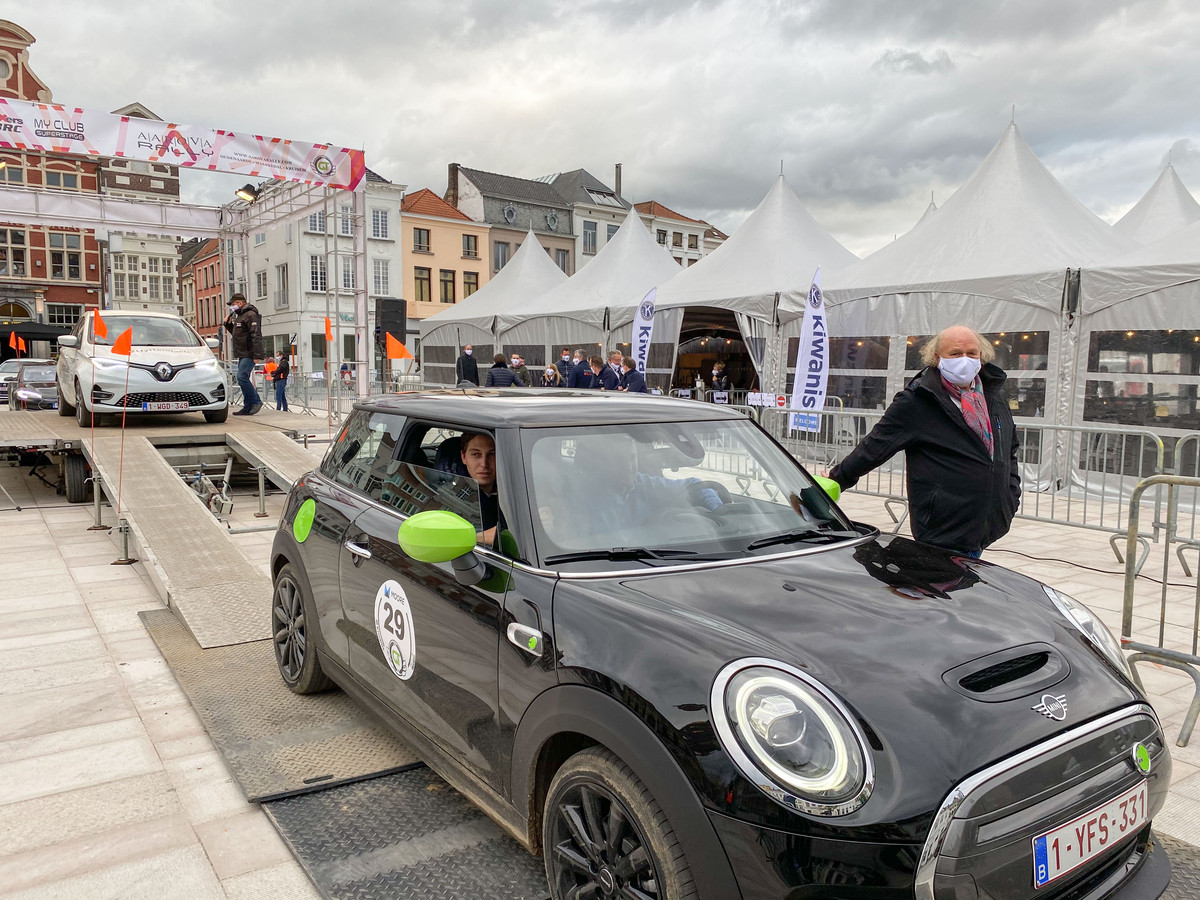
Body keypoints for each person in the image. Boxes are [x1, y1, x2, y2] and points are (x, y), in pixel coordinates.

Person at [828, 325, 1020, 557]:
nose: (965, 360)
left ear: (981, 356)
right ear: (937, 358)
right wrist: (835, 480)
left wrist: (1011, 495)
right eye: (955, 353)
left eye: (971, 353)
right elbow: (874, 447)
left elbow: (1009, 448)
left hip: (985, 528)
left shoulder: (992, 396)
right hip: (943, 532)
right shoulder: (917, 401)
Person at [223, 292, 263, 415]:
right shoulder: (240, 316)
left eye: (233, 304)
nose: (232, 307)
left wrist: (257, 355)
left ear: (240, 303)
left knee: (242, 377)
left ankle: (256, 402)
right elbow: (238, 335)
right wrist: (228, 324)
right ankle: (248, 406)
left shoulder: (250, 315)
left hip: (249, 352)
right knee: (241, 378)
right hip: (242, 352)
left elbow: (256, 335)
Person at [460, 431, 500, 545]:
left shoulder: (514, 490)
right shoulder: (457, 495)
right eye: (476, 454)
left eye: (492, 454)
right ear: (464, 457)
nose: (484, 464)